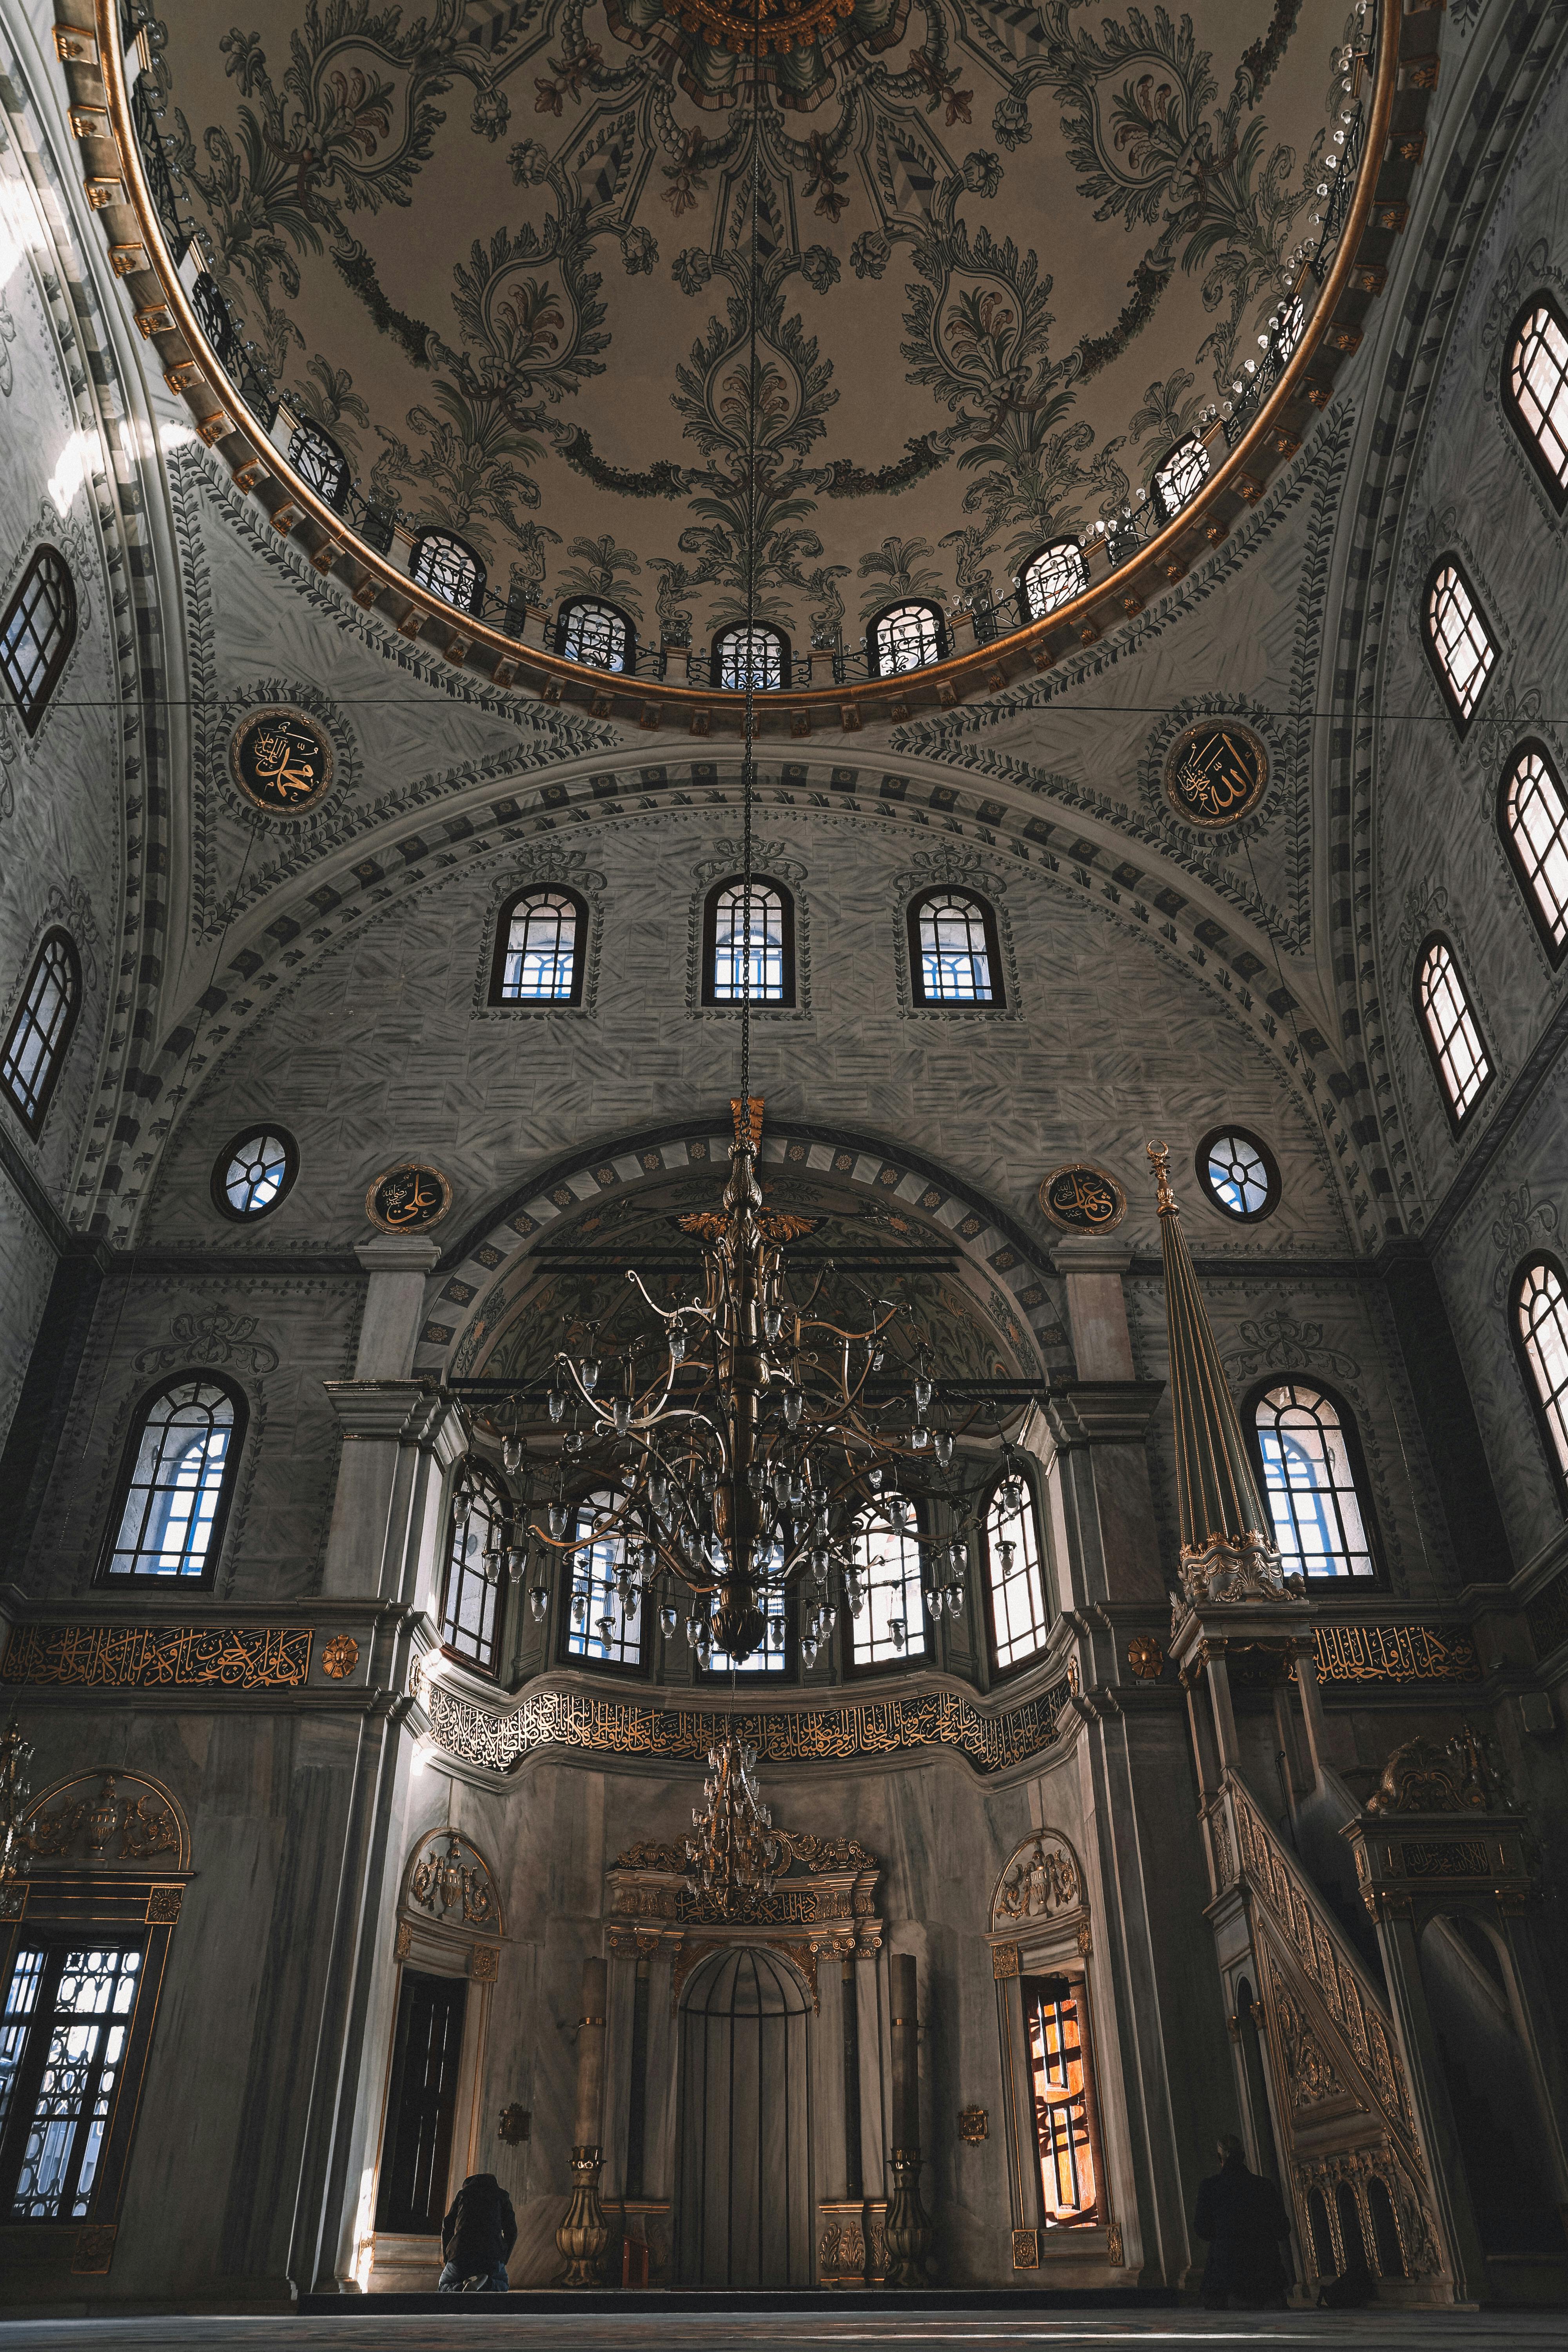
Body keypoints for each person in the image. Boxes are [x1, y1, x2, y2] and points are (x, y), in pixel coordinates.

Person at [1193, 2135, 1293, 2309]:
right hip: (1266, 2279)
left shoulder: (1210, 2187)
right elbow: (1282, 2229)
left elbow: (1202, 2230)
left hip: (1226, 2281)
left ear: (1220, 2159)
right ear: (1244, 2157)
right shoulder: (1264, 2186)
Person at [438, 2172, 517, 2293]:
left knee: (444, 2285)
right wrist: (503, 2259)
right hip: (492, 2256)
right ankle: (486, 2284)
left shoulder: (463, 2194)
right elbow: (512, 2231)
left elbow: (447, 2225)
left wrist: (447, 2258)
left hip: (461, 2254)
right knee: (503, 2284)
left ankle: (460, 2287)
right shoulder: (502, 2196)